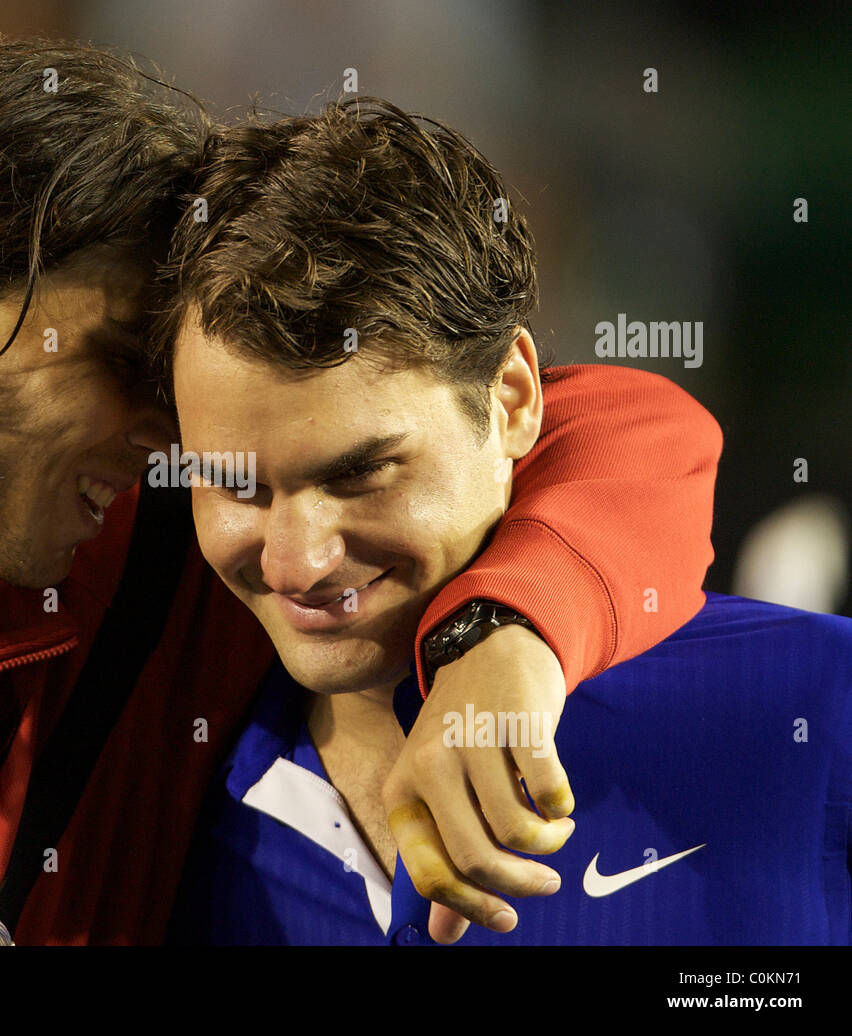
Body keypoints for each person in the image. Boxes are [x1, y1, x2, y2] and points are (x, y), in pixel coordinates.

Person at [0, 44, 716, 946]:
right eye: (122, 364)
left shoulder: (194, 560)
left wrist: (498, 642)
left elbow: (633, 428)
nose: (176, 441)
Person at [158, 98, 852, 945]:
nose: (300, 562)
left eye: (363, 473)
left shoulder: (808, 703)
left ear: (514, 397)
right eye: (234, 486)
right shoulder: (159, 801)